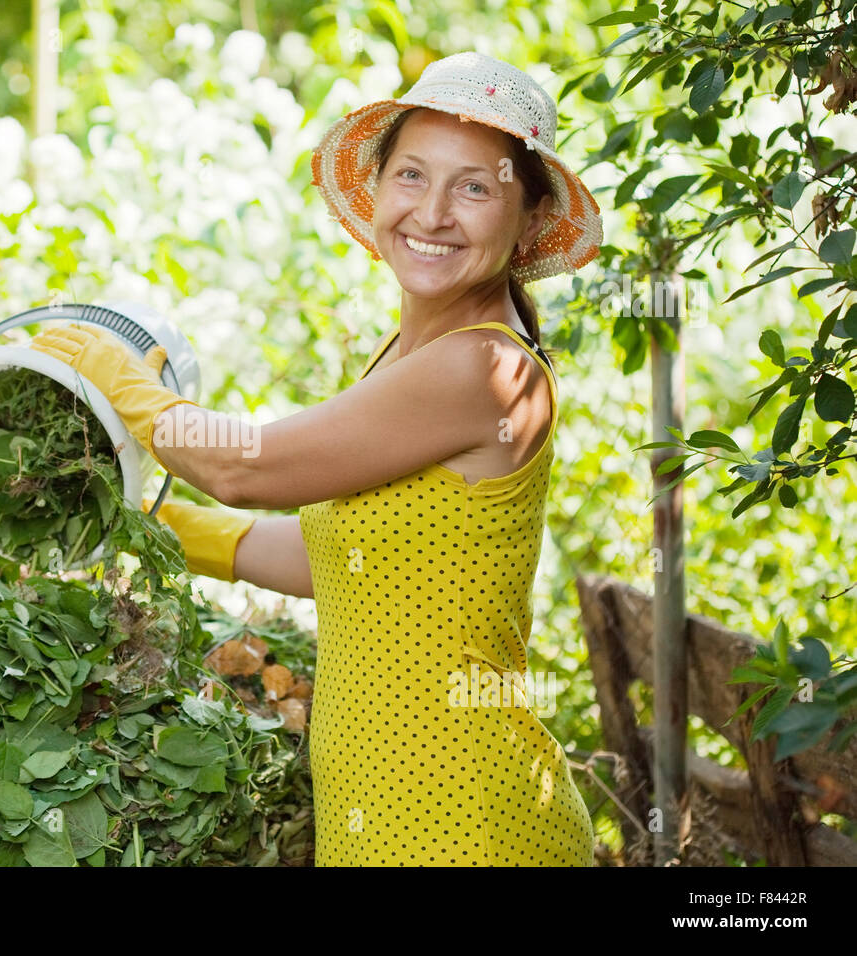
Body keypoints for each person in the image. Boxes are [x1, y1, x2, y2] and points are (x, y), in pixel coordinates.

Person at [30, 50, 603, 866]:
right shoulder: (414, 355)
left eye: (475, 187)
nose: (433, 213)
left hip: (466, 822)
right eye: (412, 176)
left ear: (529, 221)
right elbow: (350, 558)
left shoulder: (484, 368)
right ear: (380, 188)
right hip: (388, 812)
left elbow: (248, 465)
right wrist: (148, 527)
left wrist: (121, 375)